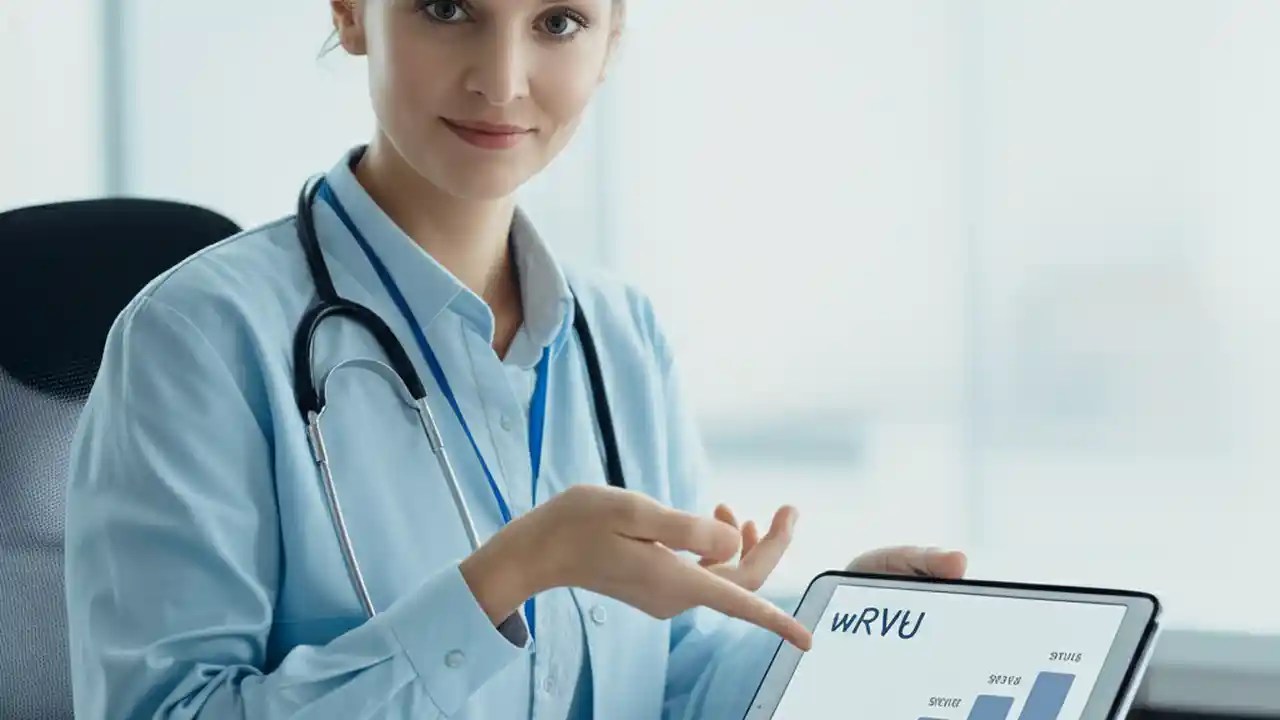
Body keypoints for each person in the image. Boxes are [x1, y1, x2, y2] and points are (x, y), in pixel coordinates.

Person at [63, 0, 968, 717]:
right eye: (448, 8)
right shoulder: (197, 341)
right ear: (348, 12)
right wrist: (509, 575)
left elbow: (665, 678)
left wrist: (834, 634)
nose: (501, 82)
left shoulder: (621, 335)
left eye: (558, 22)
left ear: (611, 38)